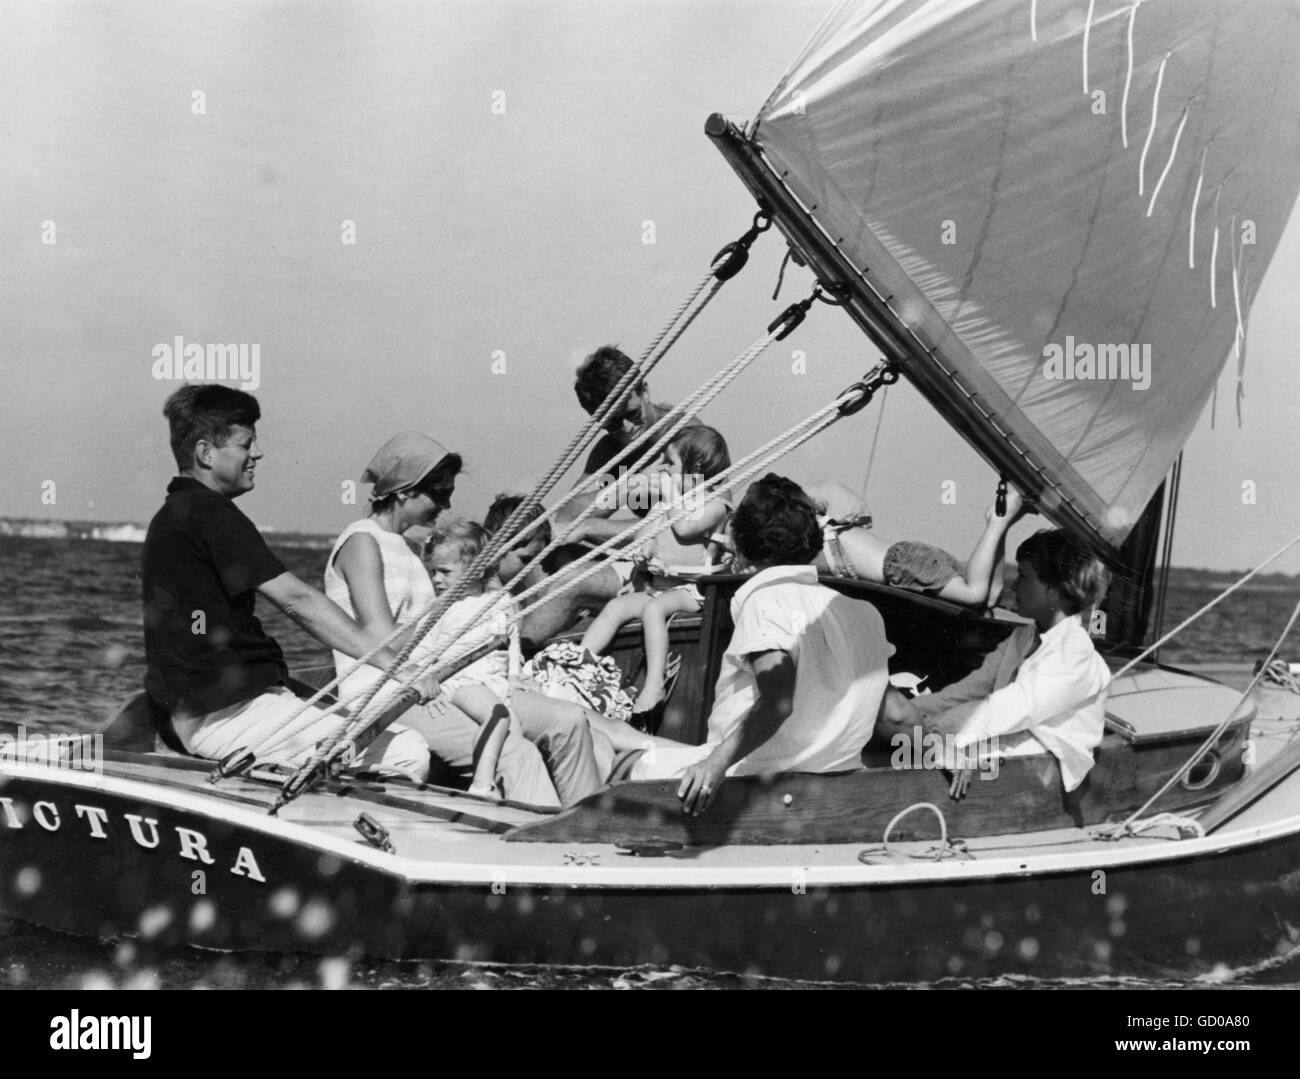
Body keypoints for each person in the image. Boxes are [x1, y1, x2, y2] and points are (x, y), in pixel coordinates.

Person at [141, 386, 431, 781]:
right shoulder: (208, 511)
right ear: (206, 454)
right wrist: (396, 666)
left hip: (216, 708)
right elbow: (295, 599)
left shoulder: (175, 513)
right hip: (228, 715)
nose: (257, 453)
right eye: (246, 444)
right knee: (407, 752)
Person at [324, 434, 596, 808]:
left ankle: (590, 825)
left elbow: (459, 605)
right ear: (404, 492)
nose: (448, 503)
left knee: (568, 722)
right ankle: (546, 852)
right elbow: (381, 636)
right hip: (388, 693)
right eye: (439, 493)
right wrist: (428, 671)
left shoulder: (407, 547)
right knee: (516, 755)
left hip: (439, 681)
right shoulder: (361, 543)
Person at [629, 474, 895, 816]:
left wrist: (715, 764)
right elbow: (896, 712)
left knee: (624, 761)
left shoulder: (766, 603)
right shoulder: (864, 613)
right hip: (834, 783)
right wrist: (940, 749)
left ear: (741, 543)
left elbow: (778, 701)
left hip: (752, 786)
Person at [419, 518, 680, 803]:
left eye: (443, 571)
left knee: (570, 720)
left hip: (499, 680)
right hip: (464, 681)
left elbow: (514, 641)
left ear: (477, 569)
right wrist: (424, 674)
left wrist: (516, 675)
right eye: (433, 571)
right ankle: (484, 785)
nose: (435, 580)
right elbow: (425, 647)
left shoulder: (499, 601)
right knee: (506, 727)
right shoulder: (440, 608)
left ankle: (585, 815)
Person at [876, 529, 1112, 794]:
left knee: (908, 748)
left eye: (1023, 576)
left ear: (1054, 589)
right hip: (1002, 736)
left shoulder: (1073, 653)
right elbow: (967, 692)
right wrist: (912, 714)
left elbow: (1010, 709)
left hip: (1043, 760)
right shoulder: (1023, 637)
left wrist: (934, 731)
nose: (1013, 585)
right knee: (894, 734)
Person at [520, 345, 674, 644]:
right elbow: (565, 516)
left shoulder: (683, 438)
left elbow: (686, 527)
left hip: (672, 570)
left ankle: (516, 663)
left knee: (568, 582)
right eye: (613, 423)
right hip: (637, 559)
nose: (627, 430)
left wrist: (592, 525)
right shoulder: (612, 449)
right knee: (536, 554)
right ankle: (535, 644)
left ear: (644, 390)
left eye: (631, 414)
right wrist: (629, 486)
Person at [579, 424, 732, 723]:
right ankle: (578, 664)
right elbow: (650, 536)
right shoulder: (668, 502)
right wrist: (639, 572)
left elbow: (686, 528)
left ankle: (653, 685)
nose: (663, 470)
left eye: (670, 464)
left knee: (653, 610)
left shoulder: (716, 505)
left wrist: (670, 494)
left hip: (693, 591)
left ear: (696, 468)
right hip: (657, 586)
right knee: (616, 607)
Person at [810, 480, 1026, 610]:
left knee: (974, 594)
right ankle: (999, 522)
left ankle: (997, 523)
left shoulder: (795, 527)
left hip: (902, 563)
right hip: (908, 561)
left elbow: (829, 492)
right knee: (990, 597)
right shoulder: (798, 531)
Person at [483, 492, 550, 594]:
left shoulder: (520, 589)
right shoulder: (483, 593)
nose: (533, 569)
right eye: (525, 560)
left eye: (540, 560)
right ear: (497, 548)